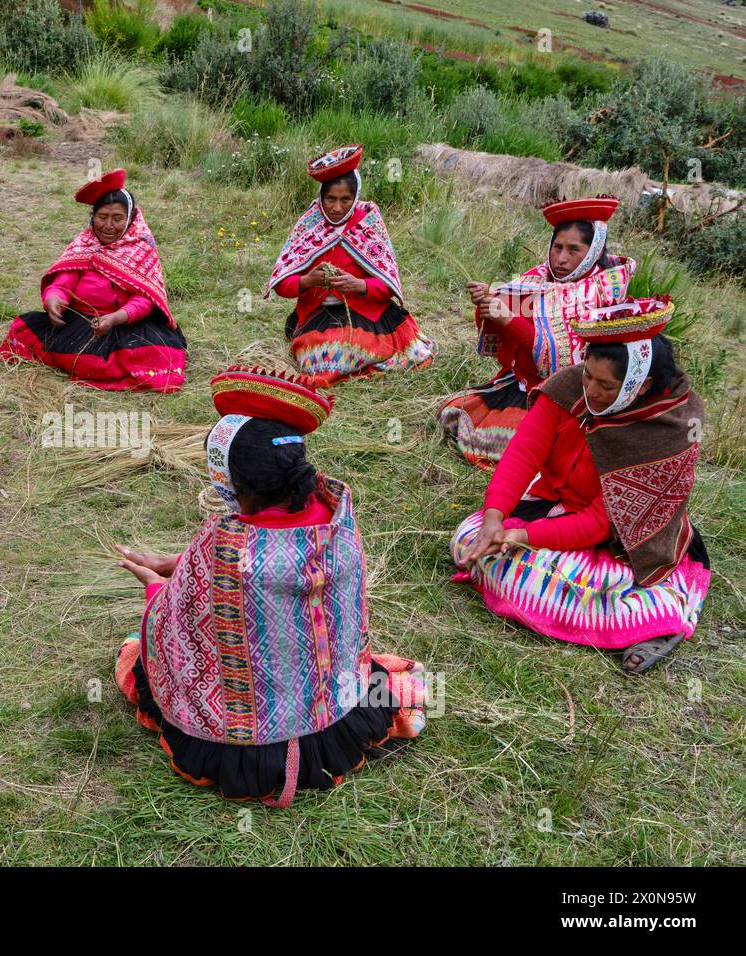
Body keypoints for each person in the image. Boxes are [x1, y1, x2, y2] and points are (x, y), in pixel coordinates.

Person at [113, 366, 427, 805]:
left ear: (232, 484)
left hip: (248, 737)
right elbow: (264, 574)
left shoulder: (226, 547)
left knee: (141, 651)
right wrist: (178, 564)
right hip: (331, 709)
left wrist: (154, 586)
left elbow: (179, 622)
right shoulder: (335, 516)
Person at [452, 298, 711, 675]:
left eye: (605, 385)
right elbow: (524, 454)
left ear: (641, 386)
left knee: (575, 585)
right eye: (588, 375)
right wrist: (495, 517)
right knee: (469, 537)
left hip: (622, 538)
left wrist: (523, 537)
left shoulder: (666, 428)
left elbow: (600, 522)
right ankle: (599, 617)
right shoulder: (570, 387)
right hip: (554, 505)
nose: (589, 389)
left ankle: (655, 622)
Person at [440, 195, 635, 468]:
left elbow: (565, 366)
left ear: (593, 252)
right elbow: (505, 328)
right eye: (557, 247)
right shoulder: (539, 278)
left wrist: (507, 318)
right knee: (453, 413)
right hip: (524, 383)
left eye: (574, 250)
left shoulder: (600, 292)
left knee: (513, 445)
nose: (561, 259)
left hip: (565, 398)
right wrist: (487, 299)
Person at [0, 168, 187, 392]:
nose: (108, 225)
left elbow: (145, 300)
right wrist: (53, 299)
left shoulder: (141, 249)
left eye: (117, 218)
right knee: (23, 330)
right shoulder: (84, 246)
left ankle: (97, 364)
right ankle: (96, 366)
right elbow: (62, 284)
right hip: (82, 321)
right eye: (102, 217)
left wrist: (115, 318)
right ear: (92, 217)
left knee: (156, 354)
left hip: (125, 323)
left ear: (130, 219)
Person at [266, 145, 434, 389]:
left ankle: (357, 363)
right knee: (324, 356)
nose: (337, 207)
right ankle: (352, 364)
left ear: (355, 198)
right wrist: (307, 281)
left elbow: (388, 286)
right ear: (321, 197)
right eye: (330, 199)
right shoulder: (309, 225)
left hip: (365, 312)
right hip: (318, 315)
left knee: (401, 350)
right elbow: (282, 285)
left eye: (345, 200)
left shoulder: (367, 223)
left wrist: (359, 285)